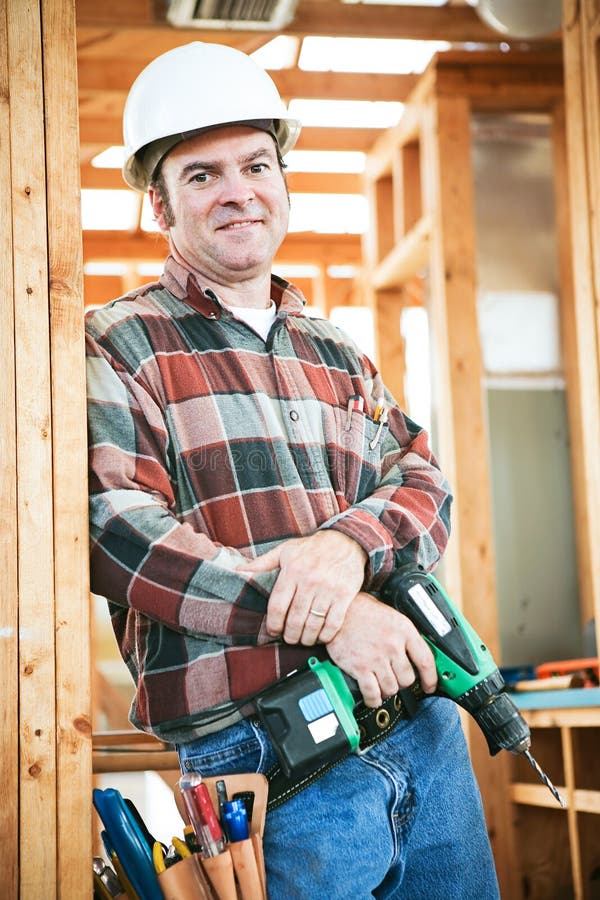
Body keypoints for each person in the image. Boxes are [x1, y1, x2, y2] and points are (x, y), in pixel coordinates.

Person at [86, 41, 500, 899]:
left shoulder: (335, 349)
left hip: (421, 727)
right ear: (158, 204)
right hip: (260, 756)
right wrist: (330, 615)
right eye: (202, 175)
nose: (238, 191)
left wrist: (348, 550)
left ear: (282, 180)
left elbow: (424, 483)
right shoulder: (117, 342)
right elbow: (118, 533)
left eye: (256, 165)